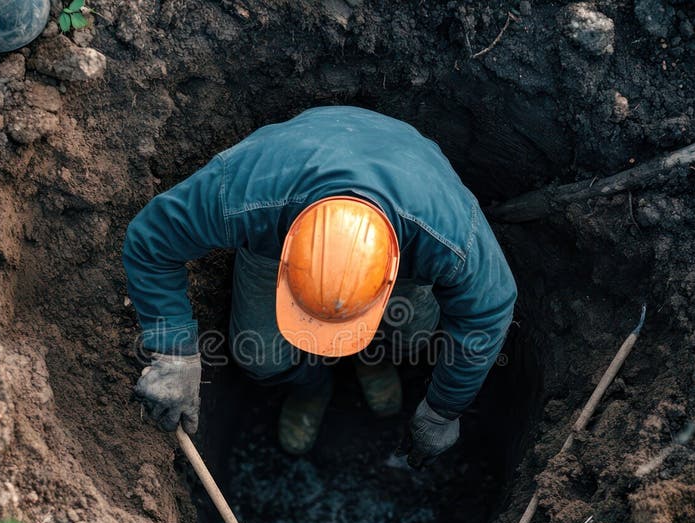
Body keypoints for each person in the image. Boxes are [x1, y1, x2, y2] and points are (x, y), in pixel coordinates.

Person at [124, 106, 516, 467]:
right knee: (260, 358)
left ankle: (374, 359)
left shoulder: (447, 239)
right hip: (274, 233)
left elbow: (488, 311)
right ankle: (311, 385)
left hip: (410, 229)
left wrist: (443, 409)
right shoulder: (244, 199)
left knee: (411, 337)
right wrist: (175, 354)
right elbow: (151, 241)